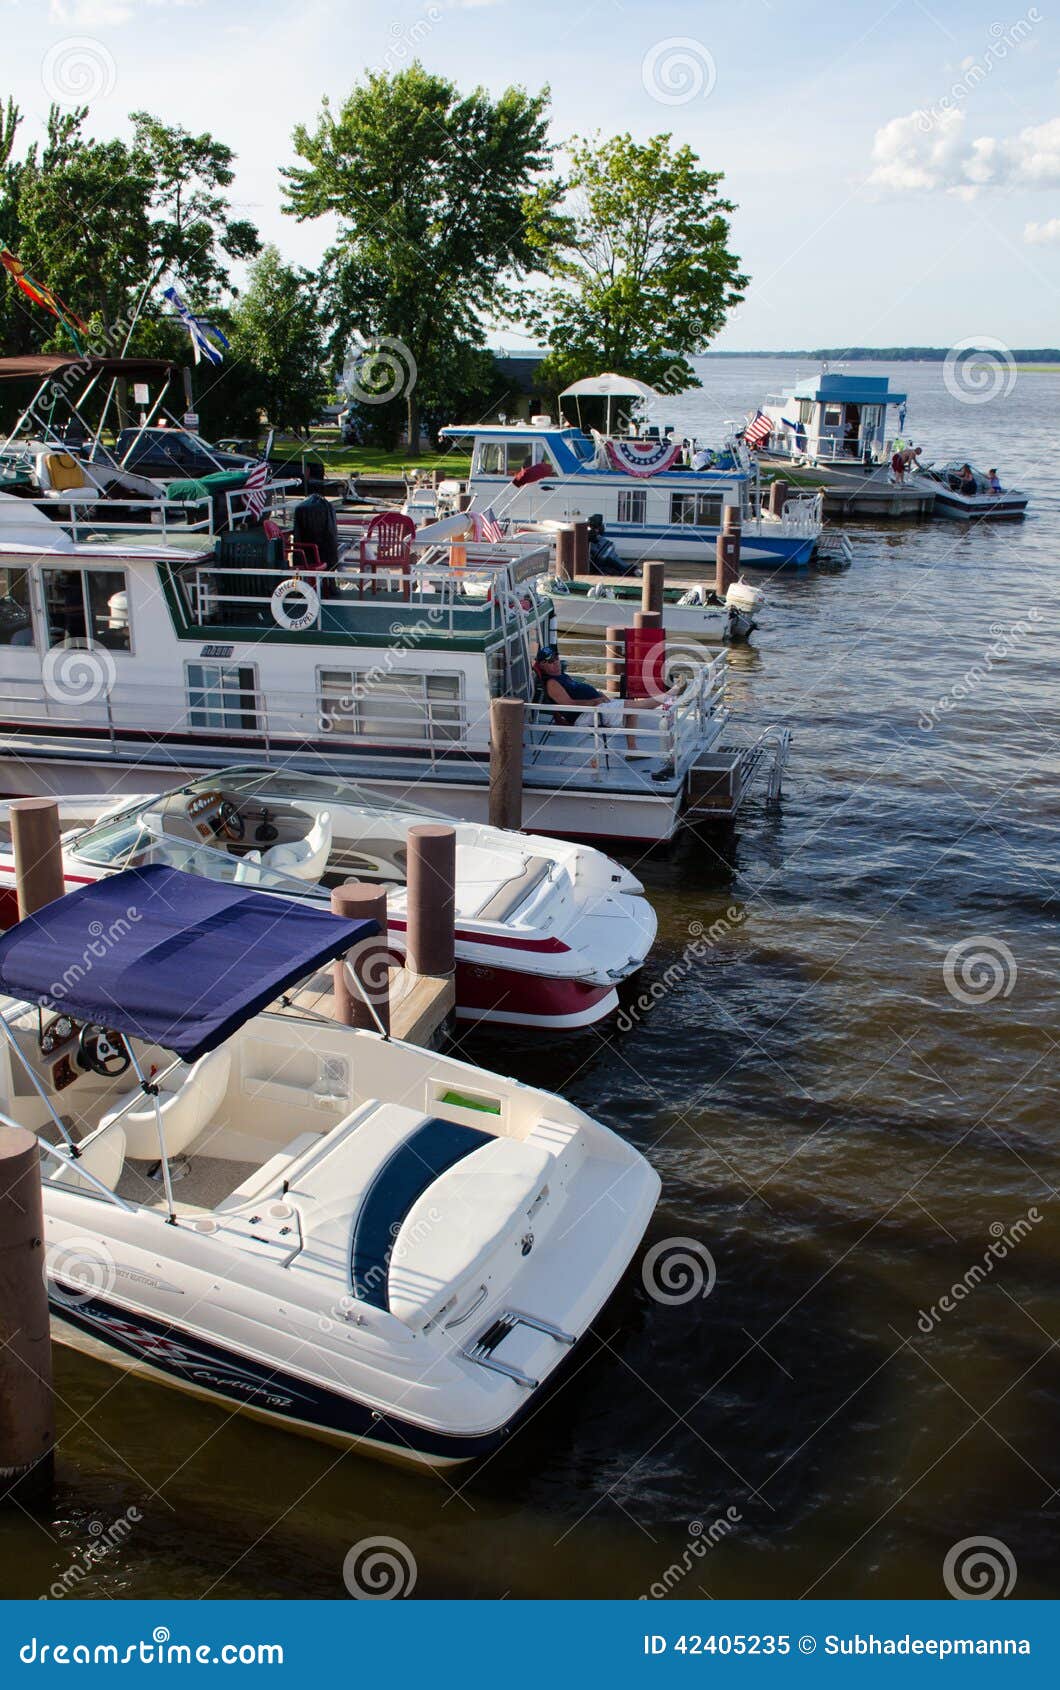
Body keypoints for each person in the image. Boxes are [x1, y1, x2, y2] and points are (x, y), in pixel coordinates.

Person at [532, 643, 670, 766]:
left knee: (632, 708)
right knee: (639, 707)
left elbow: (577, 692)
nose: (556, 663)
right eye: (550, 661)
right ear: (543, 665)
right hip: (586, 714)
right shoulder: (552, 683)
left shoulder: (561, 676)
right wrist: (593, 702)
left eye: (556, 658)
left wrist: (598, 695)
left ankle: (632, 750)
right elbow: (568, 704)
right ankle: (669, 694)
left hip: (595, 707)